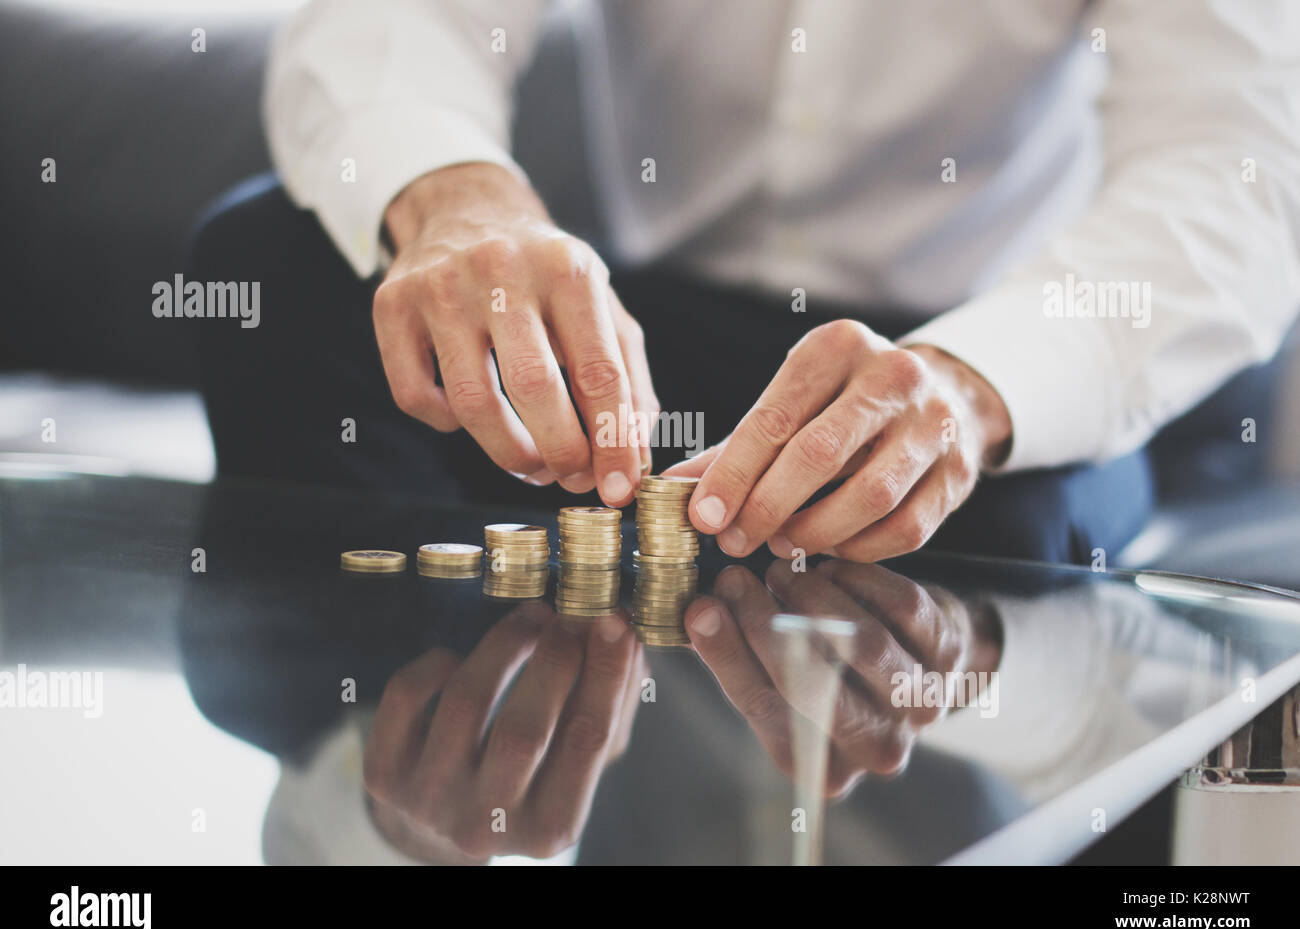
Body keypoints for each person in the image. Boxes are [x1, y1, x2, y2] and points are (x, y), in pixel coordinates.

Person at [192, 0, 1300, 564]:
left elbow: (1233, 163)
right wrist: (458, 199)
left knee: (986, 533)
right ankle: (427, 734)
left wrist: (972, 385)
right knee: (270, 269)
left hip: (992, 350)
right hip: (664, 318)